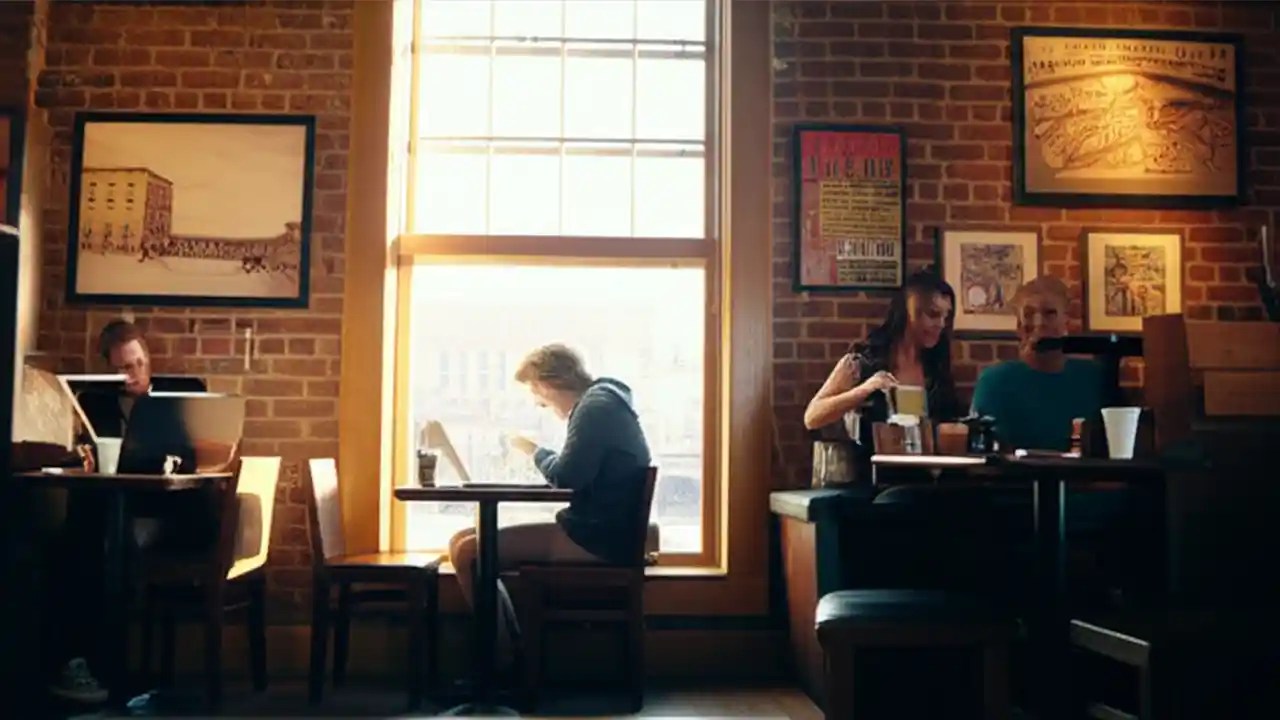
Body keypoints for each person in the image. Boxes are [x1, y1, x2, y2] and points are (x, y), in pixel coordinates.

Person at [447, 344, 652, 670]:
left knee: (468, 552)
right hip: (605, 529)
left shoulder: (594, 408)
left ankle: (502, 662)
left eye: (536, 393)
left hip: (596, 538)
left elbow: (567, 476)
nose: (538, 402)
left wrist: (532, 450)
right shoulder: (606, 400)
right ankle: (508, 649)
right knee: (462, 541)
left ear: (546, 383)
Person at [46, 321, 216, 704]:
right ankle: (80, 664)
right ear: (106, 367)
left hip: (170, 514)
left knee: (102, 543)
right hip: (119, 510)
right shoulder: (95, 404)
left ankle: (100, 668)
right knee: (75, 541)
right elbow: (83, 452)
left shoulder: (174, 402)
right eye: (123, 367)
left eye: (139, 363)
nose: (133, 373)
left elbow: (190, 459)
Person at [804, 269, 963, 451]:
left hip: (925, 475)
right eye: (933, 314)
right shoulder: (862, 361)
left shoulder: (936, 368)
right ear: (908, 312)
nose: (941, 324)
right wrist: (866, 388)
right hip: (867, 473)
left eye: (946, 316)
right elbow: (812, 417)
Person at [971, 275, 1104, 451]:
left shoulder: (1094, 378)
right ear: (1019, 326)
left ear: (1066, 322)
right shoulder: (995, 381)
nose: (1039, 323)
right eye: (1029, 314)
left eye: (1049, 313)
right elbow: (982, 447)